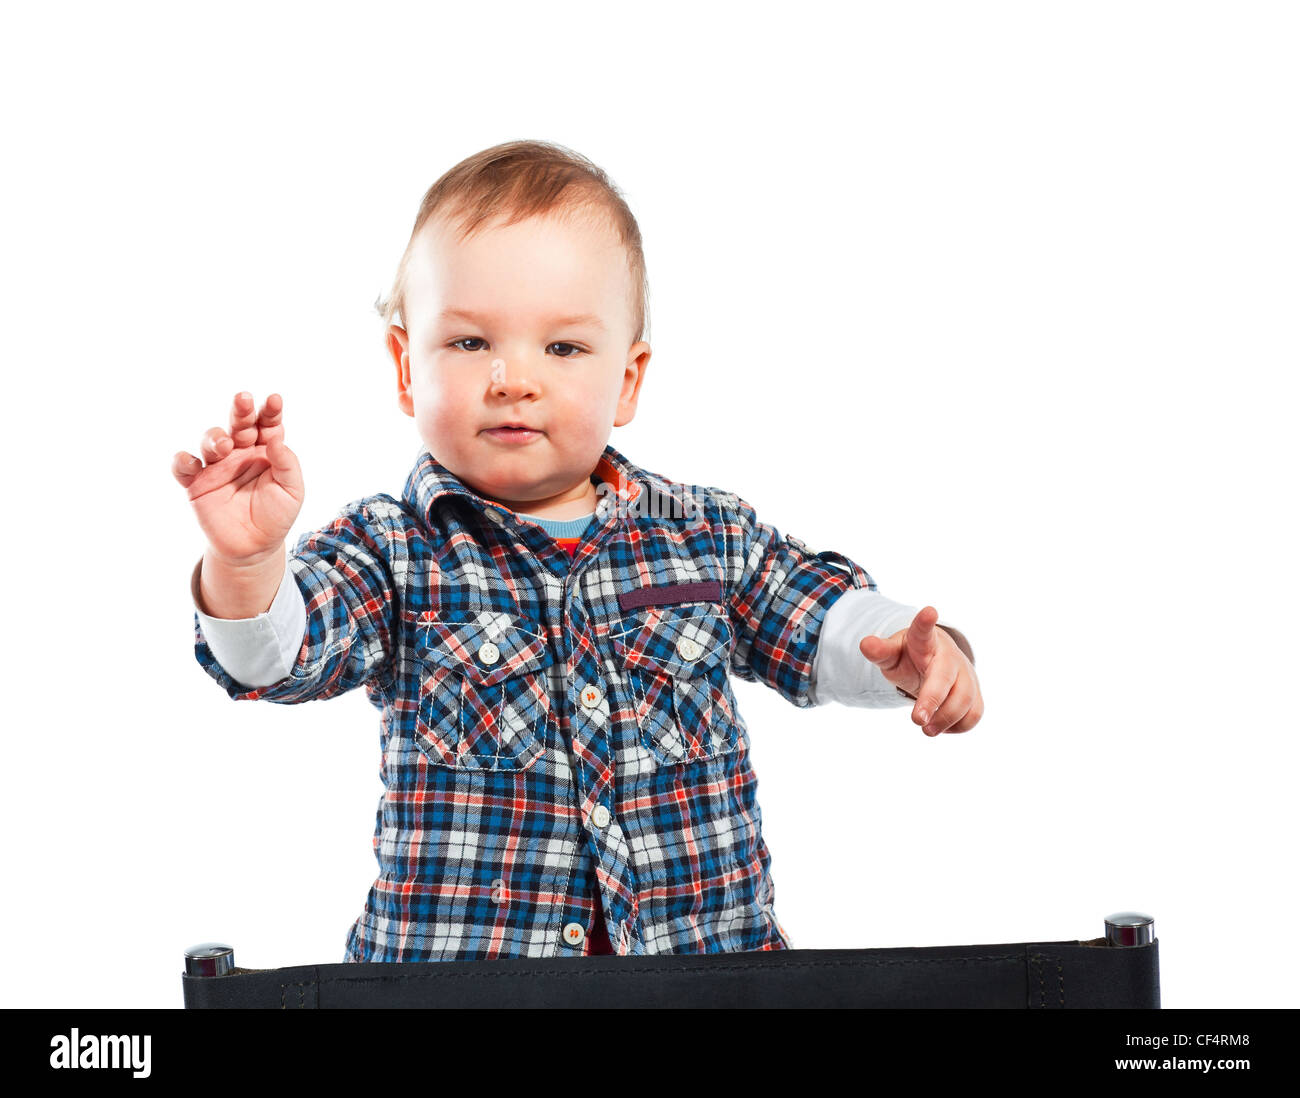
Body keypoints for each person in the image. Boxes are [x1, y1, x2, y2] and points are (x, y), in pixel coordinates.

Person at [172, 139, 983, 962]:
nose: (514, 378)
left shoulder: (702, 535)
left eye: (562, 348)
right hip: (463, 995)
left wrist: (914, 654)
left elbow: (819, 618)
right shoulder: (395, 551)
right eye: (468, 343)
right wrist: (245, 566)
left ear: (627, 380)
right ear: (404, 364)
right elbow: (279, 656)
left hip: (703, 984)